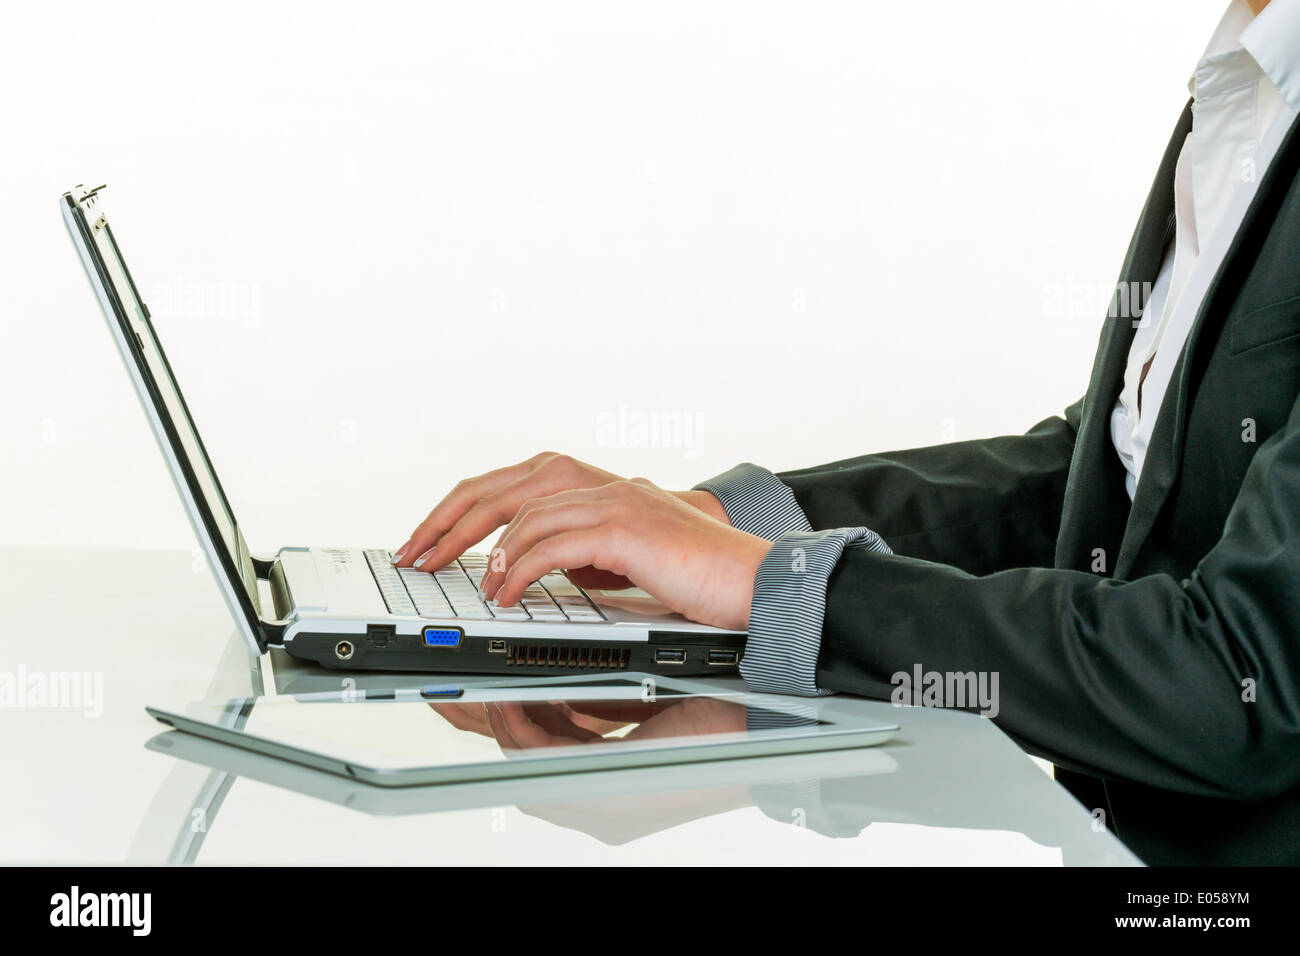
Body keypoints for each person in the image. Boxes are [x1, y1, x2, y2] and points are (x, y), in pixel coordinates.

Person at [394, 0, 1300, 864]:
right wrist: (722, 523)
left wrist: (775, 588)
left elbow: (1238, 681)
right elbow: (1105, 477)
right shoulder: (1244, 86)